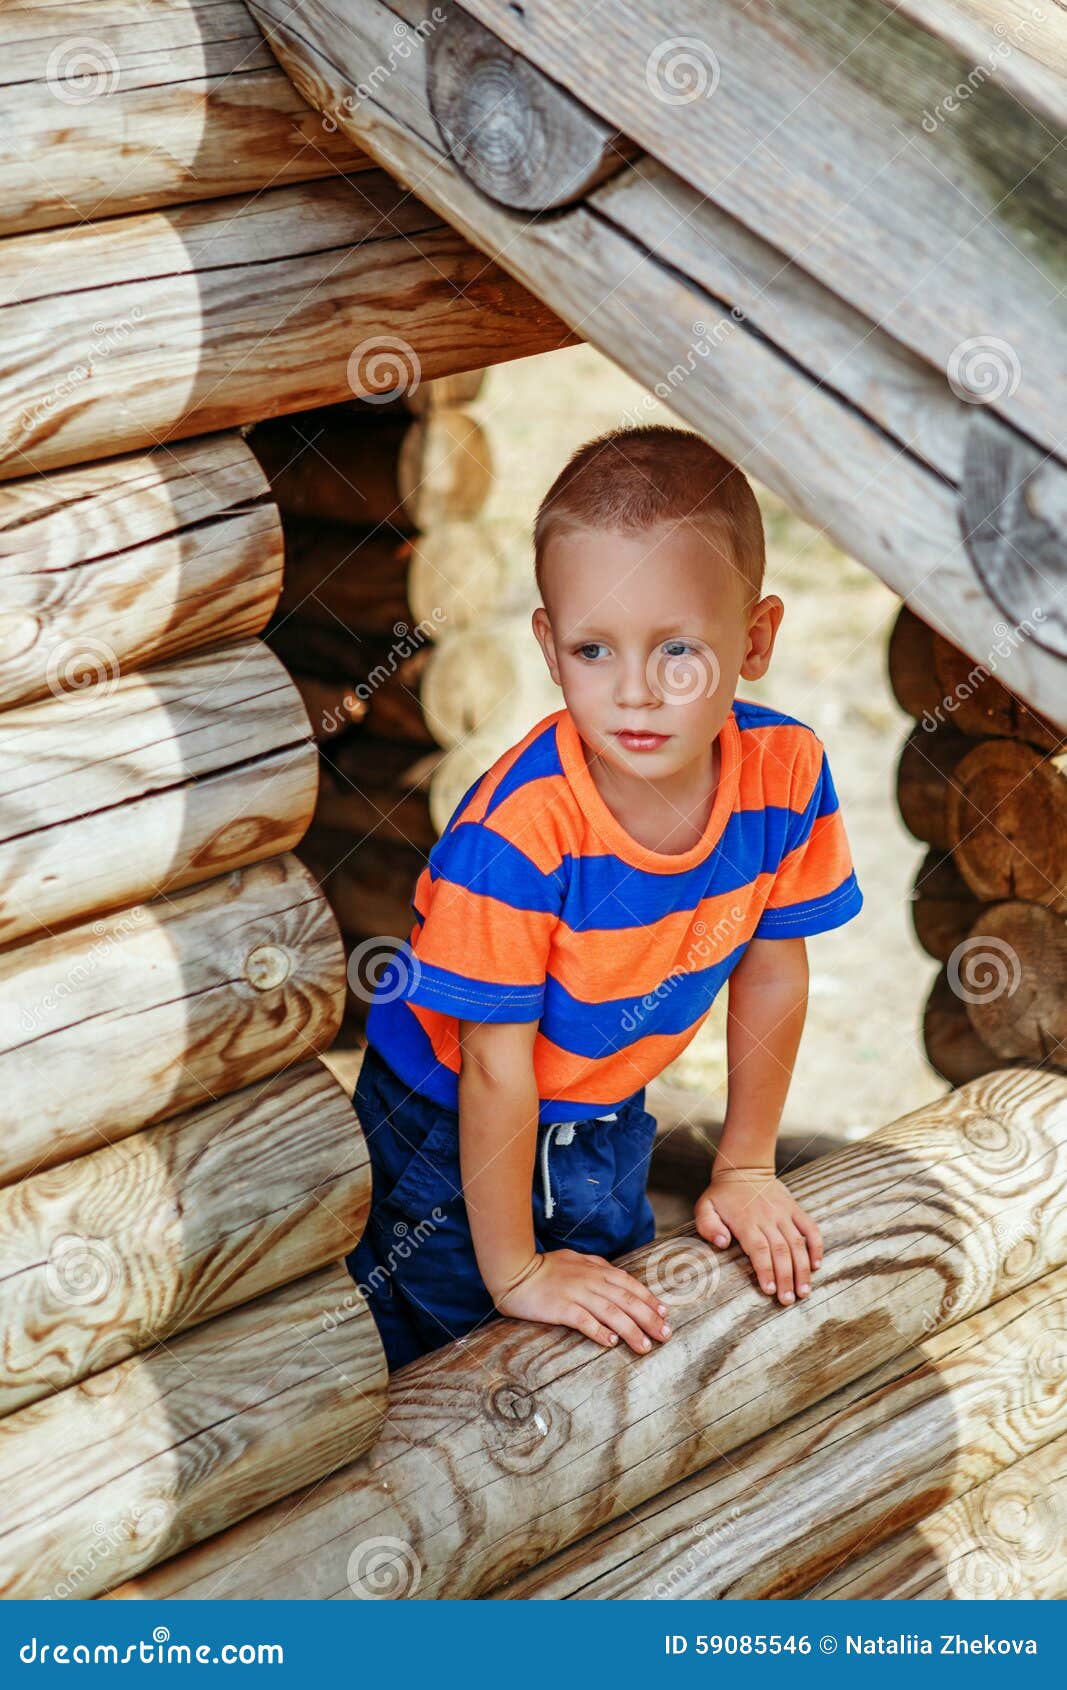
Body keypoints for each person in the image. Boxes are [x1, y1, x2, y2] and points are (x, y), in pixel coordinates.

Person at [346, 423, 863, 1371]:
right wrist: (514, 1272)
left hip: (602, 1099)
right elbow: (496, 1071)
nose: (634, 693)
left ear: (754, 640)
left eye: (677, 651)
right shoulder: (515, 839)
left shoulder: (784, 774)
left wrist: (745, 1166)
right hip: (446, 1119)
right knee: (453, 1348)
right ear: (547, 644)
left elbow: (772, 971)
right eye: (593, 649)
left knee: (610, 1320)